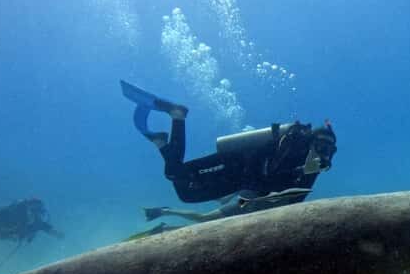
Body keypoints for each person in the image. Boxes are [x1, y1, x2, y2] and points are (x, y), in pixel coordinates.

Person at [120, 80, 337, 223]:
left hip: (237, 182)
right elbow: (270, 177)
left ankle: (161, 142)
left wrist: (306, 173)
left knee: (186, 194)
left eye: (329, 150)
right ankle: (177, 116)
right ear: (310, 142)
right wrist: (298, 171)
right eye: (321, 146)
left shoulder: (312, 167)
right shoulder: (292, 147)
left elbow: (295, 199)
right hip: (234, 164)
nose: (324, 153)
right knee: (175, 173)